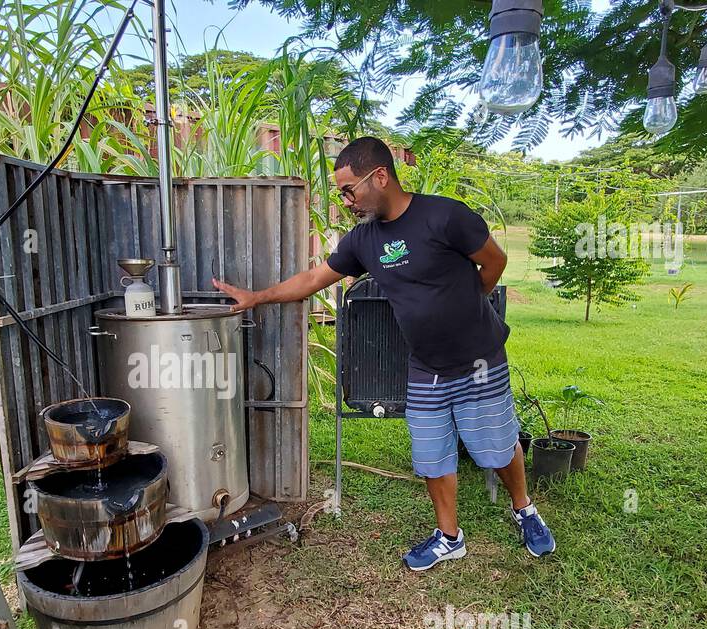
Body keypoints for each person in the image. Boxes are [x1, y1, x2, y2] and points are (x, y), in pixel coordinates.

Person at [212, 136, 555, 570]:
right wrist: (257, 297)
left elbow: (495, 263)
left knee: (499, 447)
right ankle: (449, 537)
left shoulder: (446, 216)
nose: (346, 201)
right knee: (432, 456)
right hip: (426, 367)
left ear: (379, 177)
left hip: (479, 361)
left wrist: (469, 306)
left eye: (348, 190)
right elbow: (314, 279)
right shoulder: (363, 240)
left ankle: (524, 508)